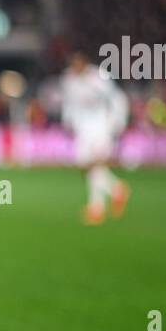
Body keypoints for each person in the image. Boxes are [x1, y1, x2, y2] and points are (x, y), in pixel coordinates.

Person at [61, 52, 130, 224]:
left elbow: (117, 99)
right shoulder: (69, 79)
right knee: (84, 166)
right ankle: (116, 190)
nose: (75, 68)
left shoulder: (99, 77)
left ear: (85, 64)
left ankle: (96, 209)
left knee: (94, 164)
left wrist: (118, 122)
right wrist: (67, 121)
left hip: (101, 127)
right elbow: (69, 102)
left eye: (78, 65)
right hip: (82, 129)